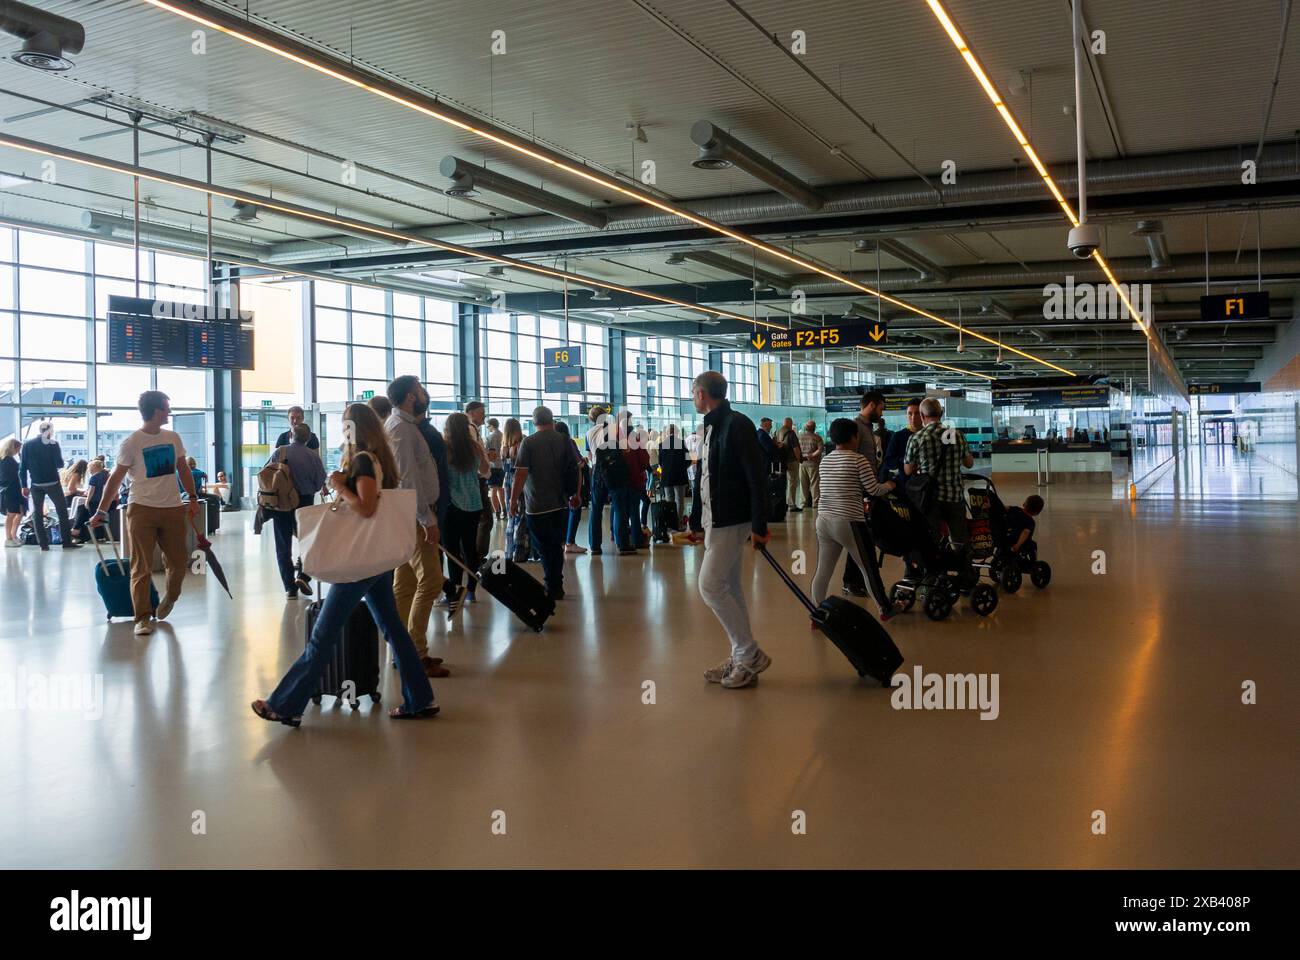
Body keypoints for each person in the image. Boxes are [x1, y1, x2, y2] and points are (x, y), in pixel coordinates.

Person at [251, 402, 438, 726]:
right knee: (394, 630)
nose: (342, 431)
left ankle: (285, 703)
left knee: (323, 636)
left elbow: (365, 507)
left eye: (345, 426)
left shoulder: (364, 461)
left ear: (355, 429)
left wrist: (339, 484)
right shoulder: (381, 460)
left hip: (358, 563)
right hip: (375, 558)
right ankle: (420, 698)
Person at [687, 371, 771, 690]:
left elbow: (756, 478)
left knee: (709, 585)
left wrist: (760, 526)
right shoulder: (710, 427)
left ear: (702, 393)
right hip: (714, 519)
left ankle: (748, 653)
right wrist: (696, 522)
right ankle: (741, 656)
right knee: (731, 587)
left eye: (694, 392)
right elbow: (703, 478)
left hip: (731, 520)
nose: (693, 396)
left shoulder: (737, 424)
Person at [91, 391, 201, 635]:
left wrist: (192, 498)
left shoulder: (173, 437)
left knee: (178, 561)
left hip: (172, 507)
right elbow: (115, 479)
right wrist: (101, 509)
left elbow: (183, 469)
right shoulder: (132, 443)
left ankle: (171, 597)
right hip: (141, 509)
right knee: (141, 566)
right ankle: (142, 618)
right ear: (155, 411)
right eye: (166, 408)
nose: (169, 412)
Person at [384, 376, 445, 678]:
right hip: (413, 516)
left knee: (405, 584)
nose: (424, 394)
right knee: (432, 580)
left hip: (407, 514)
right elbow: (408, 480)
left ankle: (402, 650)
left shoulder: (403, 427)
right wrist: (427, 520)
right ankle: (415, 653)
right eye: (421, 390)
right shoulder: (401, 431)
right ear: (410, 397)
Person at [810, 418, 897, 618]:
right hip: (849, 521)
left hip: (823, 521)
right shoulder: (858, 459)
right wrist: (891, 485)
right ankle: (886, 609)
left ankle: (817, 613)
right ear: (854, 436)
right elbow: (874, 490)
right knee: (868, 569)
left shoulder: (826, 459)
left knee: (823, 570)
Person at [510, 406, 581, 601]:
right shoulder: (565, 440)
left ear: (534, 422)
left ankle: (552, 584)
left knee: (543, 547)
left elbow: (521, 474)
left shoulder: (529, 442)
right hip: (560, 503)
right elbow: (576, 468)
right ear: (552, 420)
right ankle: (555, 583)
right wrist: (575, 494)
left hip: (536, 505)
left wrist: (513, 500)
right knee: (555, 545)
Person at [904, 397, 975, 553]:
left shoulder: (917, 438)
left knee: (933, 539)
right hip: (954, 496)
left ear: (922, 416)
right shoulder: (957, 435)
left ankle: (937, 573)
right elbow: (969, 463)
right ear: (941, 413)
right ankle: (965, 572)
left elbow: (908, 470)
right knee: (960, 539)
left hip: (930, 499)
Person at [266, 423, 326, 601]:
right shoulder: (313, 457)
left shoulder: (280, 452)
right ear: (308, 438)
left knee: (283, 546)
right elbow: (319, 481)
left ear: (291, 435)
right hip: (304, 502)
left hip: (281, 503)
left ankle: (289, 588)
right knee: (308, 541)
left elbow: (267, 474)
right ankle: (303, 576)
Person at [441, 411, 490, 616]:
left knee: (452, 551)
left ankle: (454, 591)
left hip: (452, 506)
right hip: (473, 503)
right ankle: (471, 590)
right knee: (470, 547)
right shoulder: (475, 447)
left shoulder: (445, 448)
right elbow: (485, 471)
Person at [842, 391, 887, 596]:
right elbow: (851, 458)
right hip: (859, 492)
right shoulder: (856, 429)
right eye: (881, 407)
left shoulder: (869, 429)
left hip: (868, 490)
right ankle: (851, 580)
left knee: (863, 537)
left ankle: (854, 579)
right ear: (871, 405)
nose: (882, 411)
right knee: (859, 538)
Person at [20, 422, 78, 551]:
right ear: (50, 431)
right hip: (53, 483)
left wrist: (24, 485)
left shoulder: (27, 445)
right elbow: (59, 464)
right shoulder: (53, 444)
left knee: (38, 514)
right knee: (62, 511)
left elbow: (22, 467)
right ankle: (66, 542)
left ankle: (43, 544)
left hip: (36, 484)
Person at [613, 411, 649, 555]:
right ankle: (637, 539)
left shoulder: (611, 436)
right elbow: (643, 459)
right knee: (634, 511)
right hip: (633, 478)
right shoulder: (634, 437)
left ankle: (620, 541)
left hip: (616, 480)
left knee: (619, 512)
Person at [465, 401, 495, 559]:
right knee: (485, 519)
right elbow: (473, 455)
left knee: (480, 518)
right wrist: (483, 467)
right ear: (472, 412)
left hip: (476, 479)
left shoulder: (472, 430)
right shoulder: (470, 430)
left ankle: (474, 554)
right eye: (481, 412)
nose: (484, 415)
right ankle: (478, 555)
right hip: (477, 480)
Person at [555, 421, 588, 554]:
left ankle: (562, 542)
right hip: (571, 483)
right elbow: (579, 463)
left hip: (557, 483)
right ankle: (570, 542)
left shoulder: (552, 444)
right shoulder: (569, 442)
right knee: (574, 511)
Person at [584, 405, 611, 555]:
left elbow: (589, 455)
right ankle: (620, 539)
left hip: (596, 469)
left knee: (596, 508)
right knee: (618, 504)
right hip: (612, 469)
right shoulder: (611, 429)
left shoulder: (589, 433)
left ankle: (594, 545)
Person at [70, 459, 111, 543]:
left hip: (94, 501)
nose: (88, 469)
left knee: (94, 518)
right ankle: (98, 537)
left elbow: (91, 490)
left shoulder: (94, 477)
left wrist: (87, 501)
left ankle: (98, 537)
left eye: (89, 467)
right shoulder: (105, 475)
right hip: (102, 500)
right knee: (94, 516)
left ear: (94, 467)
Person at [657, 423, 689, 529]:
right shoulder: (681, 443)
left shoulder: (662, 444)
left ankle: (671, 523)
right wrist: (683, 467)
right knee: (680, 499)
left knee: (669, 499)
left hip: (667, 476)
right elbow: (688, 459)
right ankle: (679, 523)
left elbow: (660, 461)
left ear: (667, 432)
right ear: (676, 432)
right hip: (680, 475)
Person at [881, 401, 921, 481]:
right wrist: (905, 460)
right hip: (906, 484)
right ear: (906, 416)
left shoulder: (929, 435)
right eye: (910, 414)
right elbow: (888, 461)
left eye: (917, 413)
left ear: (923, 415)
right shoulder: (898, 436)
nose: (913, 417)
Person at [1, 438, 26, 547]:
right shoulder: (7, 460)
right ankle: (9, 538)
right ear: (13, 447)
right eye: (18, 448)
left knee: (19, 512)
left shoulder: (7, 459)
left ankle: (12, 536)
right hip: (11, 490)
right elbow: (11, 477)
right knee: (11, 514)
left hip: (13, 489)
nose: (18, 451)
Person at [777, 417, 805, 512]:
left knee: (785, 483)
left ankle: (784, 503)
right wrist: (799, 459)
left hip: (783, 461)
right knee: (793, 483)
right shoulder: (791, 433)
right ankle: (792, 504)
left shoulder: (778, 432)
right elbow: (796, 448)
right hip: (792, 461)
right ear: (790, 423)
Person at [797, 420, 823, 509]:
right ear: (814, 428)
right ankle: (815, 503)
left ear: (805, 427)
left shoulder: (800, 437)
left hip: (802, 463)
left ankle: (804, 503)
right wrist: (811, 455)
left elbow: (796, 450)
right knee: (814, 483)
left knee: (803, 484)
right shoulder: (817, 438)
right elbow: (820, 450)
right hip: (814, 463)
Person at [485, 417, 506, 520]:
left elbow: (490, 454)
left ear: (492, 426)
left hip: (493, 466)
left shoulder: (490, 437)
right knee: (501, 489)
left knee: (493, 490)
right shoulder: (503, 436)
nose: (487, 428)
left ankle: (497, 512)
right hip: (502, 466)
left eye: (488, 426)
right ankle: (504, 510)